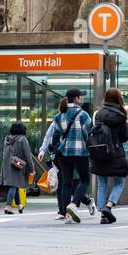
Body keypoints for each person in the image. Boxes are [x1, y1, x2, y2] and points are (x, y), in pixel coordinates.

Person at [38, 88, 94, 223]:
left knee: (66, 183)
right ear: (76, 99)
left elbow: (54, 139)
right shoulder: (83, 114)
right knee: (84, 180)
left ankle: (66, 215)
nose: (81, 99)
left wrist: (52, 149)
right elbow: (89, 132)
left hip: (63, 154)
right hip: (80, 152)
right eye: (80, 97)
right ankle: (73, 205)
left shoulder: (58, 116)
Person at [89, 88, 128, 224]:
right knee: (119, 182)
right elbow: (124, 137)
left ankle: (103, 215)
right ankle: (109, 206)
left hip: (100, 152)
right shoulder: (121, 115)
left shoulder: (98, 114)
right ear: (119, 99)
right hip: (116, 153)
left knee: (102, 183)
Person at [0, 122, 35, 214]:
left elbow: (4, 153)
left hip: (7, 164)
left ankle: (20, 205)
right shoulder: (22, 140)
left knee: (15, 184)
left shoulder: (7, 139)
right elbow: (28, 155)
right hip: (17, 165)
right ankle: (8, 206)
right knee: (14, 185)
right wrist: (31, 168)